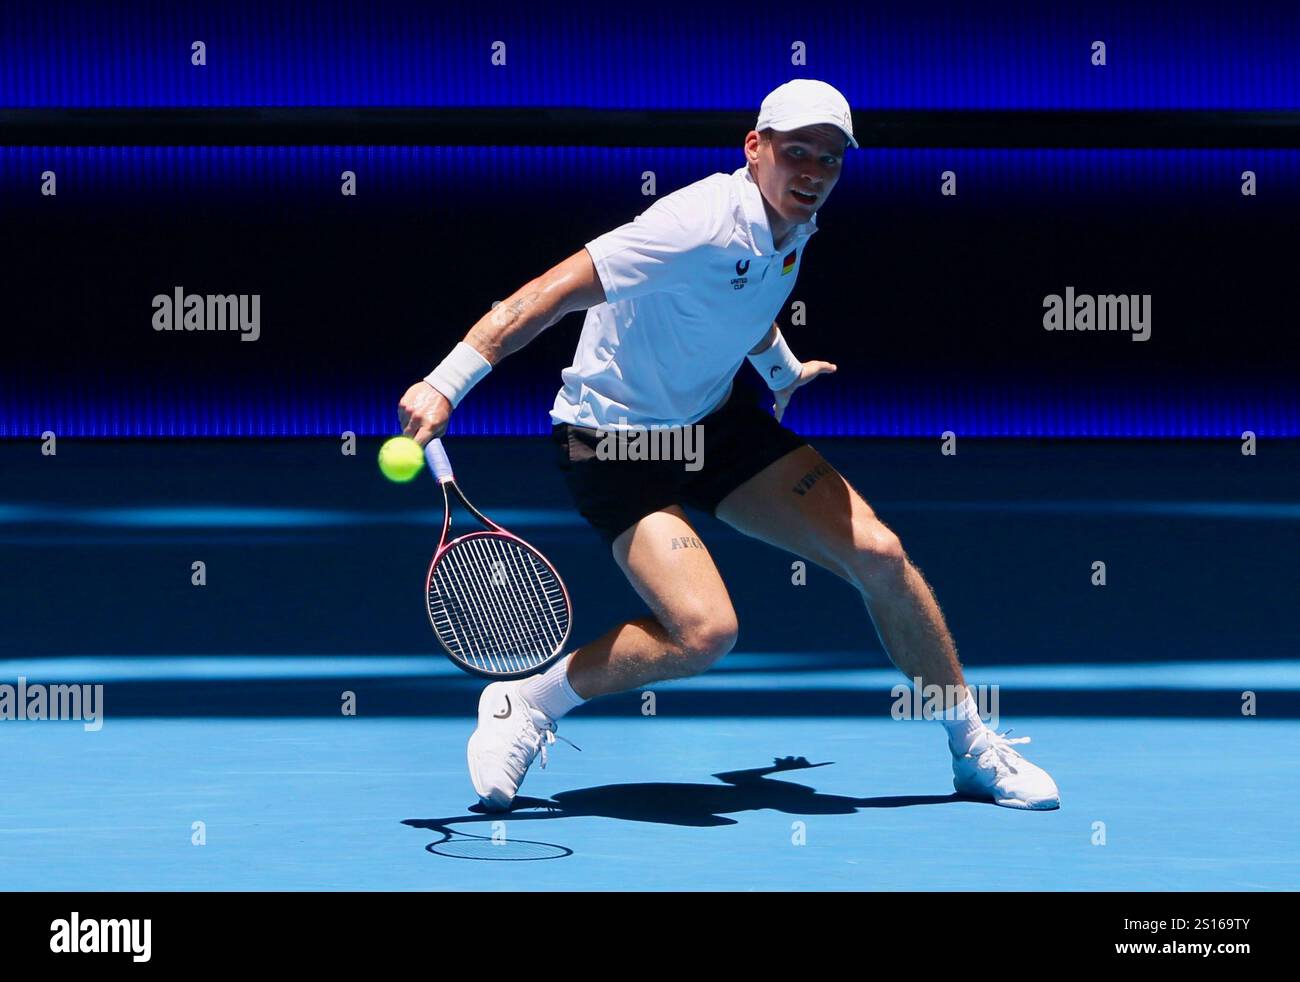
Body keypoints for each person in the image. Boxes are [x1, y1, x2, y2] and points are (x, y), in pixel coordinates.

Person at [399, 79, 1060, 812]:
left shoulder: (792, 222)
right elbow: (547, 292)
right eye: (795, 152)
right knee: (705, 632)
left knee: (880, 554)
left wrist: (782, 370)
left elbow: (741, 304)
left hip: (714, 424)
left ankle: (971, 746)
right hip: (614, 443)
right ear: (755, 148)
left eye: (830, 159)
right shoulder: (692, 223)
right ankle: (529, 701)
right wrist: (446, 382)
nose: (812, 172)